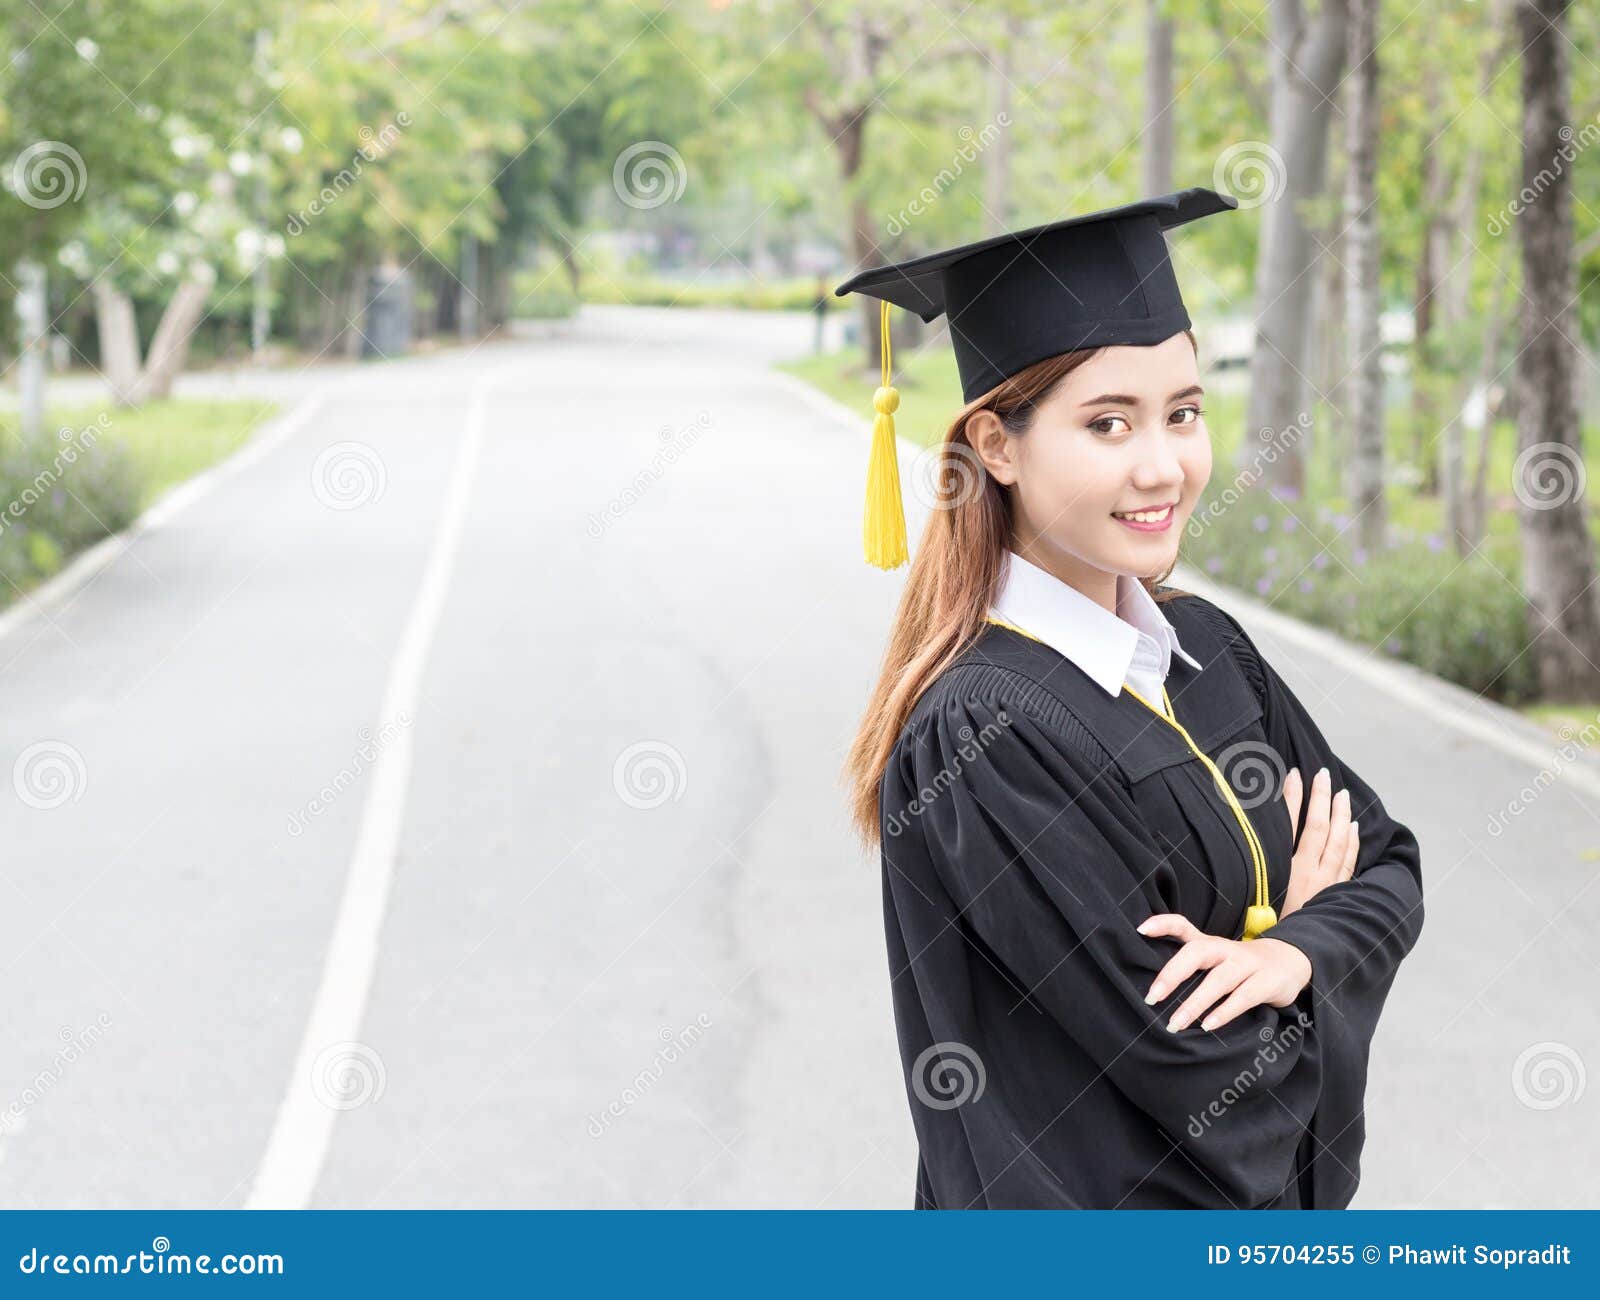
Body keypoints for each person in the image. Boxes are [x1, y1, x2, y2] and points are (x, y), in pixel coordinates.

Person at [836, 188, 1425, 1210]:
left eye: (1183, 413)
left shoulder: (1206, 650)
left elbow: (1388, 864)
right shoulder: (982, 736)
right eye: (1107, 422)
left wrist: (1294, 947)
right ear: (997, 445)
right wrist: (1308, 926)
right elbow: (1213, 1085)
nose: (1165, 466)